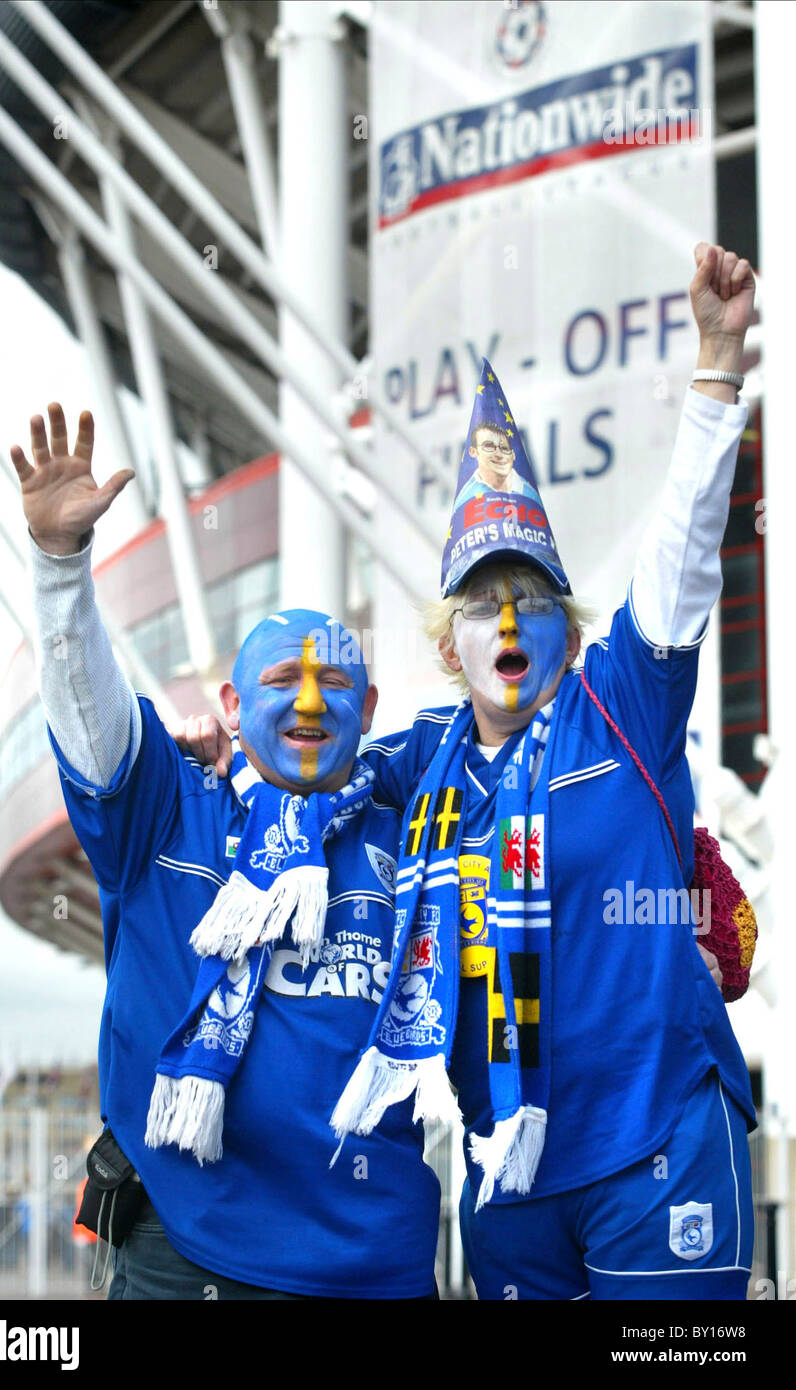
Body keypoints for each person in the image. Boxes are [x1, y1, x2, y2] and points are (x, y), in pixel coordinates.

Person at [178, 242, 756, 1300]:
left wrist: (714, 372)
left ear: (568, 634)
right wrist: (229, 754)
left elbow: (680, 558)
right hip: (505, 1172)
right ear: (449, 648)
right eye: (482, 603)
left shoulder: (619, 701)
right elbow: (314, 759)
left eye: (530, 599)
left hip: (655, 1139)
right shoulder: (422, 760)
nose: (506, 618)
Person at [10, 408, 440, 1300]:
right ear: (232, 707)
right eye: (284, 680)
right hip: (187, 1267)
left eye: (338, 684)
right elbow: (92, 720)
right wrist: (60, 572)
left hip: (380, 1271)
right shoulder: (169, 811)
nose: (313, 701)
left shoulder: (418, 833)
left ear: (373, 708)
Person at [453, 420, 543, 509]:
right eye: (489, 446)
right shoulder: (464, 500)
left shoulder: (531, 495)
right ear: (473, 451)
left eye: (504, 448)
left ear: (513, 455)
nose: (498, 454)